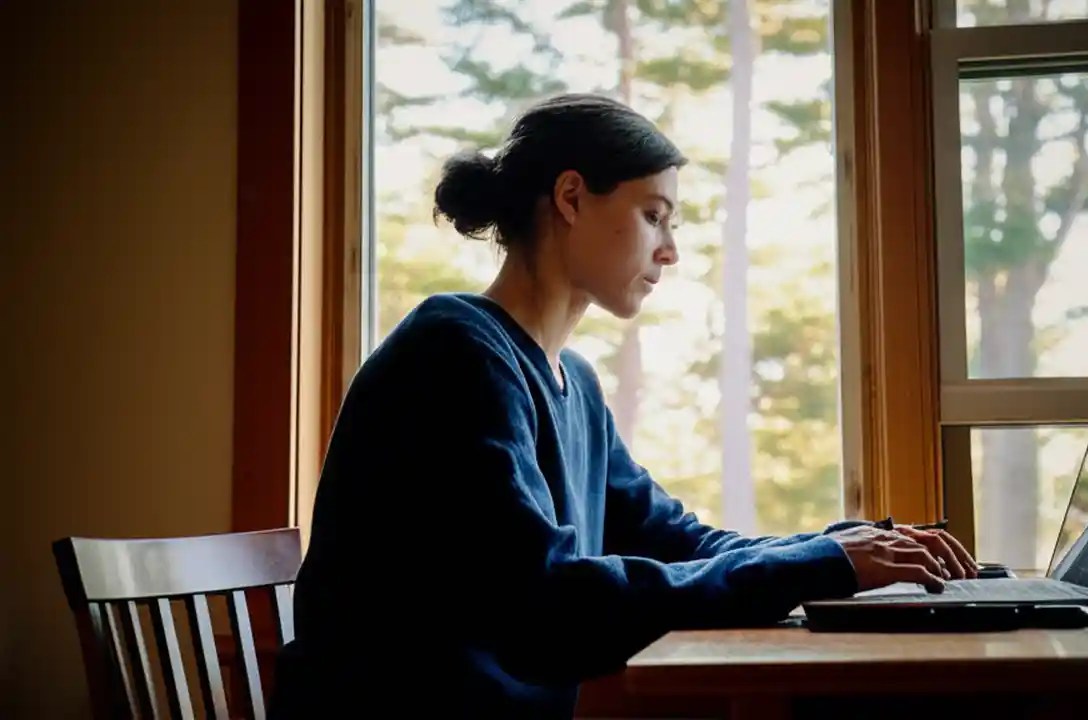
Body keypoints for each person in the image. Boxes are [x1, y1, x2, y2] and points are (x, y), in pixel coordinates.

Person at [267, 93, 978, 718]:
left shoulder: (569, 380)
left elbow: (677, 541)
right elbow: (550, 608)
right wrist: (821, 564)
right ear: (571, 198)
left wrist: (838, 548)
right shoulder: (454, 355)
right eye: (653, 215)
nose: (669, 250)